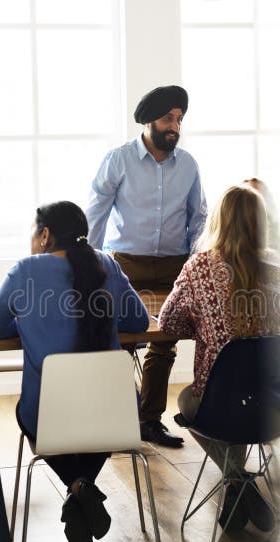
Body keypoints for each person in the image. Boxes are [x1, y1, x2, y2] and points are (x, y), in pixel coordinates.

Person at [0, 201, 149, 542]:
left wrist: (26, 319)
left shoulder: (26, 270)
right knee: (93, 429)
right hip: (115, 414)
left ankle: (77, 487)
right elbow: (140, 322)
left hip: (48, 416)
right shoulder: (107, 265)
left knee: (34, 416)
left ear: (44, 235)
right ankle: (82, 489)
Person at [86, 85, 207, 448]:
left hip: (174, 266)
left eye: (180, 119)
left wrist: (197, 261)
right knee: (122, 341)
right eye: (168, 118)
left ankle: (149, 420)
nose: (175, 126)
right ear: (148, 120)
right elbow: (96, 213)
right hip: (125, 265)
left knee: (164, 343)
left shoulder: (187, 164)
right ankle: (120, 418)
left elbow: (198, 217)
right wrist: (87, 263)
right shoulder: (118, 159)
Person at [159, 185, 280, 532]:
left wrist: (201, 323)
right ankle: (238, 484)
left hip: (221, 401)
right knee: (242, 396)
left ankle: (238, 481)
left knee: (187, 400)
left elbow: (168, 321)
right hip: (273, 403)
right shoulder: (274, 267)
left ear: (219, 221)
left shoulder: (200, 266)